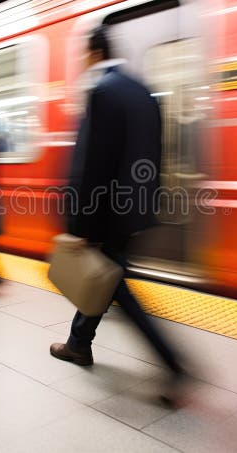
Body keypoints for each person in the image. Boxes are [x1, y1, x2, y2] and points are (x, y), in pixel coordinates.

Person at [49, 26, 185, 404]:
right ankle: (79, 343)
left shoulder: (103, 92)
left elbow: (95, 165)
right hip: (135, 209)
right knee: (106, 279)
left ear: (93, 53)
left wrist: (80, 224)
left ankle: (174, 364)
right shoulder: (144, 91)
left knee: (114, 287)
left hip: (108, 211)